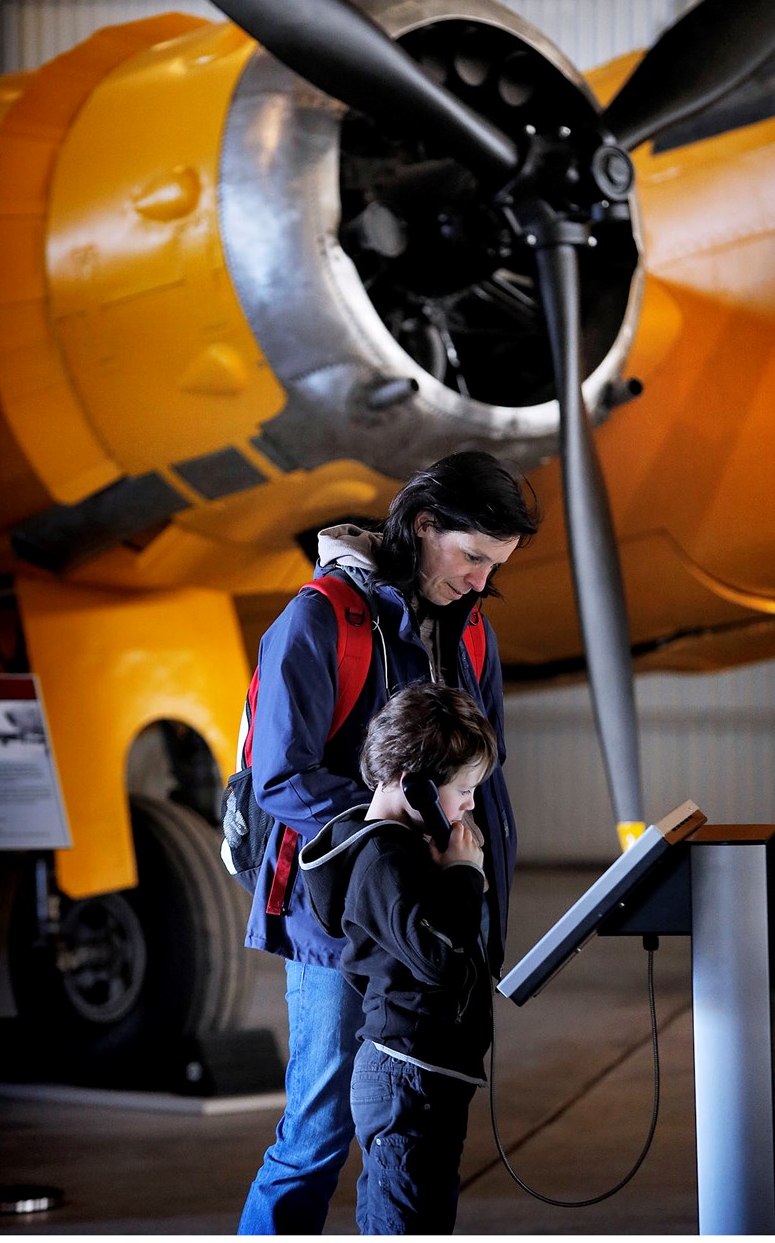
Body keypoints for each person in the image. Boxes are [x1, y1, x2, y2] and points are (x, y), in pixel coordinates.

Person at [237, 451, 538, 1234]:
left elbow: (488, 779)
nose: (479, 582)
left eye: (494, 567)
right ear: (425, 525)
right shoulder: (317, 620)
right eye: (472, 558)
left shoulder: (473, 637)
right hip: (340, 927)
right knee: (318, 1136)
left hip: (433, 918)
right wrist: (393, 827)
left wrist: (483, 916)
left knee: (411, 1133)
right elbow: (278, 777)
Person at [299, 681, 497, 1235]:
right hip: (406, 1076)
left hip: (425, 1072)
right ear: (417, 788)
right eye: (464, 789)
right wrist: (462, 875)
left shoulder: (409, 852)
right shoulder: (383, 859)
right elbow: (437, 956)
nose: (471, 804)